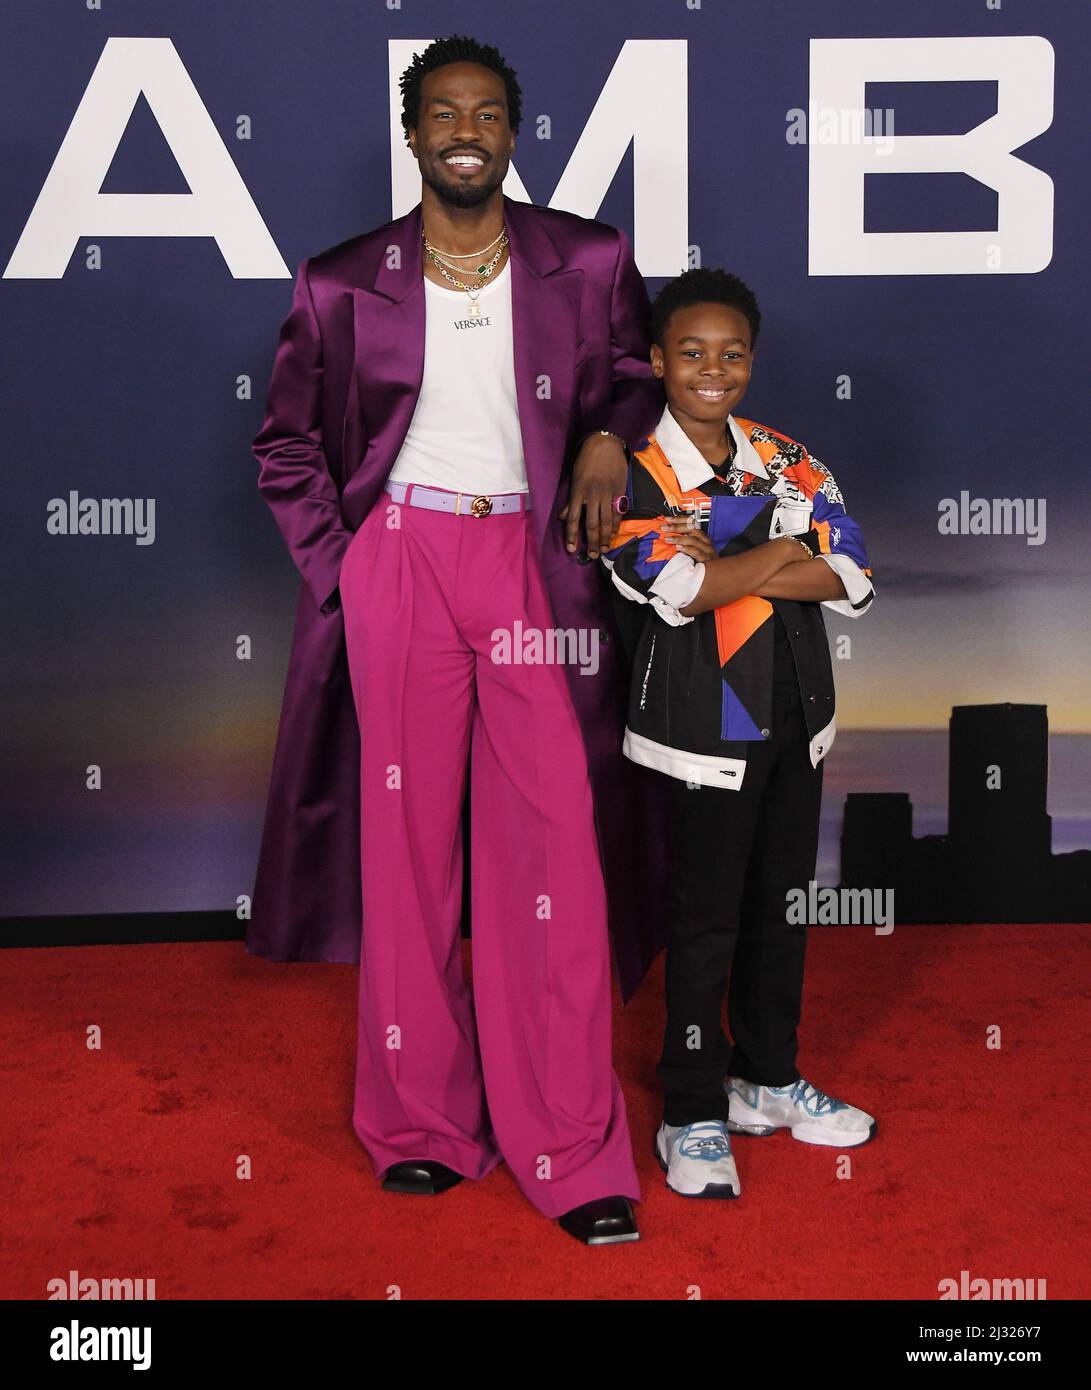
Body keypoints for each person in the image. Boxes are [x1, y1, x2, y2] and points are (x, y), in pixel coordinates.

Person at [253, 33, 667, 1242]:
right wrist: (350, 572)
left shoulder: (585, 259)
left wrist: (605, 437)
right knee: (408, 849)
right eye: (444, 112)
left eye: (487, 112)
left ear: (512, 131)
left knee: (553, 862)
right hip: (404, 562)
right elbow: (284, 446)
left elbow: (635, 380)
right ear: (413, 130)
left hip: (532, 565)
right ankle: (421, 1124)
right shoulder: (339, 279)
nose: (465, 131)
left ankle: (571, 1143)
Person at [600, 267, 877, 1199]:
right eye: (689, 353)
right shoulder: (633, 471)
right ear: (655, 360)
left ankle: (765, 1078)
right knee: (707, 916)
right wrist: (789, 549)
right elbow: (683, 590)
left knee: (781, 907)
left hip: (796, 714)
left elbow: (853, 576)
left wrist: (740, 553)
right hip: (707, 728)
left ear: (750, 359)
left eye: (731, 354)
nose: (711, 370)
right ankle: (690, 1109)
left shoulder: (788, 456)